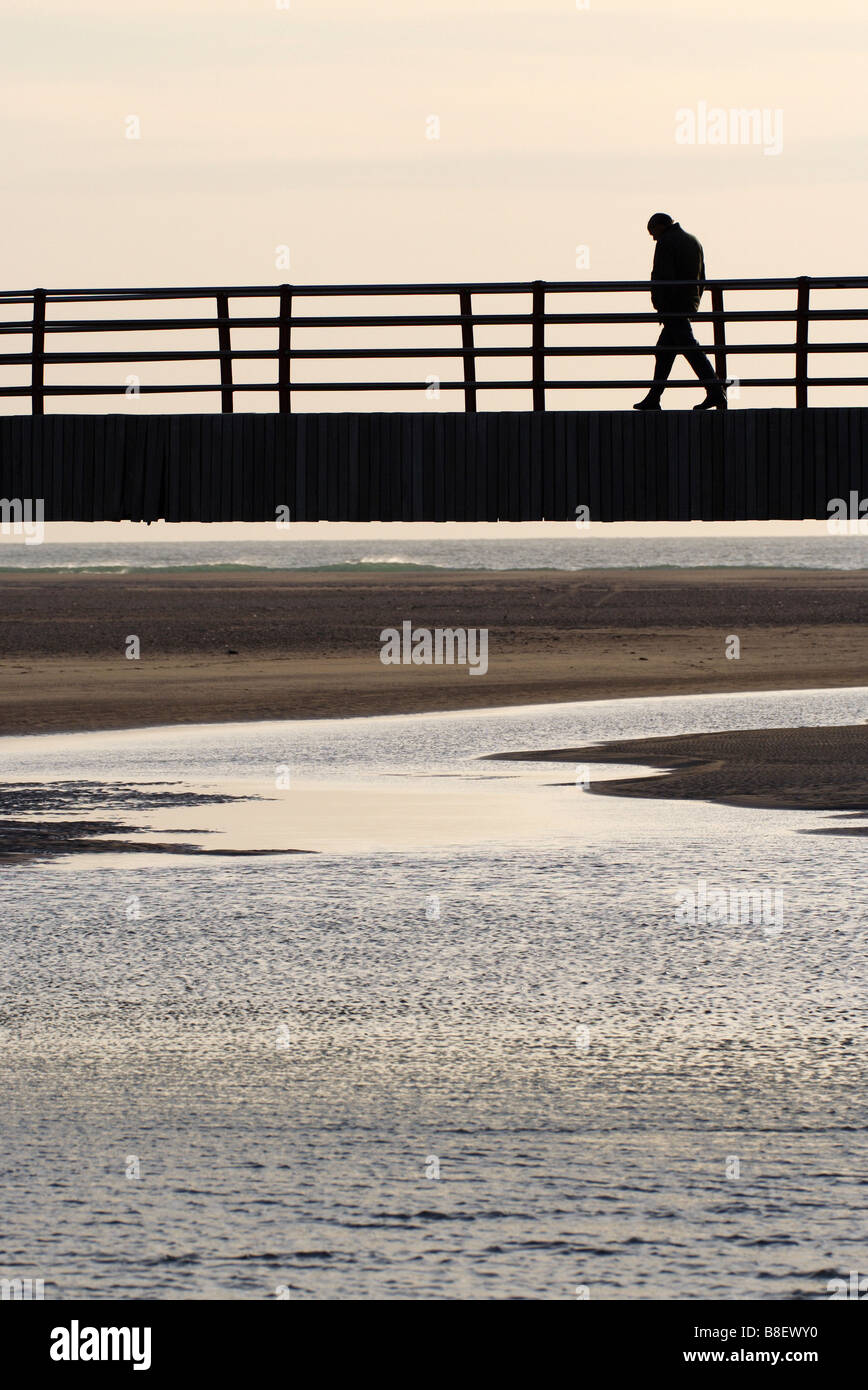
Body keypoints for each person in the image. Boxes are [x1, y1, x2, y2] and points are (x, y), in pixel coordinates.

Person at [633, 213, 727, 411]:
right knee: (665, 351)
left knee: (690, 350)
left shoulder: (667, 242)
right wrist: (694, 302)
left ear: (660, 226)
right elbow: (702, 275)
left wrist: (660, 304)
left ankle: (716, 391)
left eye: (653, 232)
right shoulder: (693, 241)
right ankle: (654, 396)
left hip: (672, 306)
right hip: (686, 303)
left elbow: (663, 276)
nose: (653, 238)